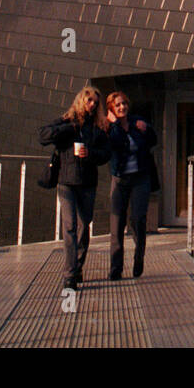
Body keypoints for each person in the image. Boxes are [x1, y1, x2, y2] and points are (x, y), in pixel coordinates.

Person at [39, 86, 110, 289]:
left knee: (82, 226)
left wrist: (90, 154)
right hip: (66, 181)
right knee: (69, 227)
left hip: (87, 182)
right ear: (81, 101)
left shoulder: (97, 127)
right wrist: (68, 129)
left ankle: (77, 267)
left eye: (96, 103)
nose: (92, 105)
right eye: (89, 101)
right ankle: (69, 274)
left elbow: (106, 153)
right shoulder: (66, 122)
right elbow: (43, 135)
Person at [105, 91, 159, 280]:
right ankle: (115, 268)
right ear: (111, 108)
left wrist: (147, 129)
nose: (122, 108)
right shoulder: (110, 127)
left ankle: (139, 256)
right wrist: (113, 124)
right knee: (117, 223)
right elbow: (115, 144)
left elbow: (153, 141)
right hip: (120, 180)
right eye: (117, 105)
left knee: (138, 219)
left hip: (140, 178)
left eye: (124, 104)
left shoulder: (138, 122)